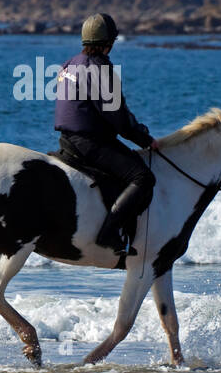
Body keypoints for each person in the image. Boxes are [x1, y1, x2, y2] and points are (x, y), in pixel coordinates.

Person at [54, 13, 158, 255]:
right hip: (90, 143)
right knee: (143, 178)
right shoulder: (100, 70)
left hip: (66, 139)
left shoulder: (70, 63)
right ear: (109, 43)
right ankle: (109, 233)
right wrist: (145, 138)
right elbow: (119, 119)